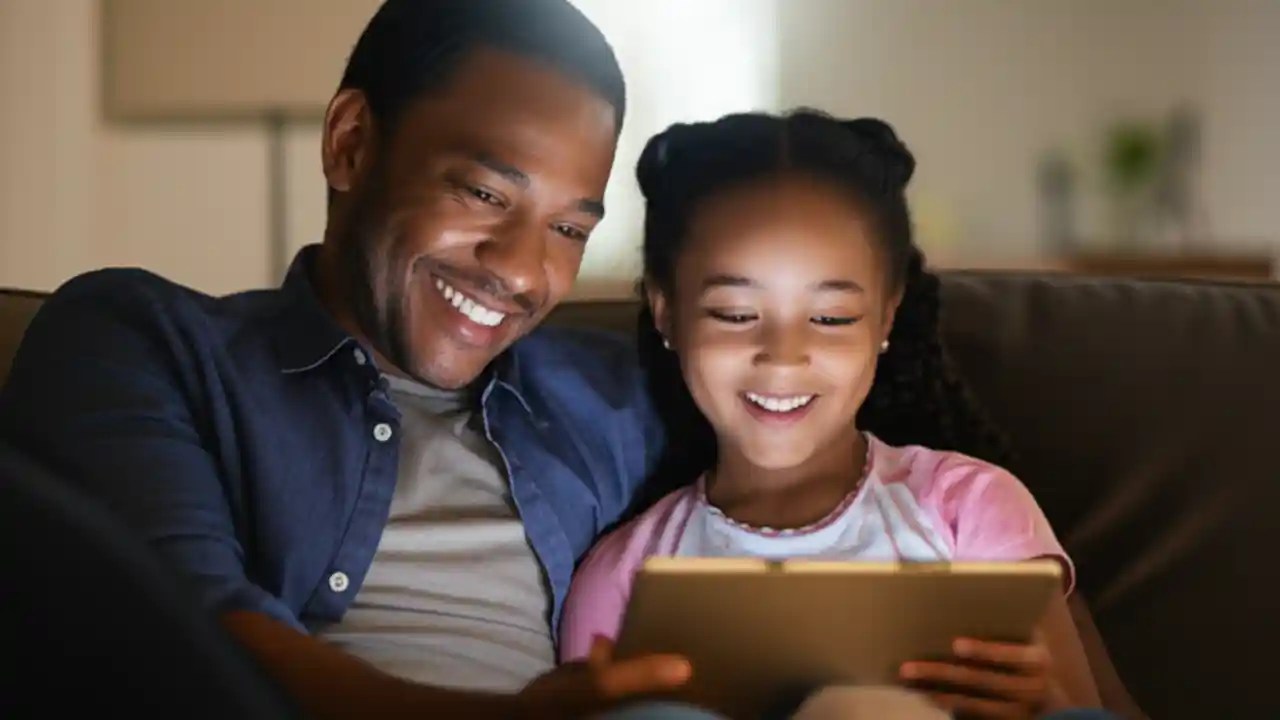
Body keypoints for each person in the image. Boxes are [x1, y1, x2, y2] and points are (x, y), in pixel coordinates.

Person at [0, 1, 692, 717]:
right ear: (352, 143)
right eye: (484, 194)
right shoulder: (142, 344)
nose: (520, 271)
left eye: (568, 228)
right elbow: (182, 637)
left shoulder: (620, 395)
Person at [558, 111, 1117, 720]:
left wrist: (1042, 702)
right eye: (736, 313)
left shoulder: (967, 509)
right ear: (666, 313)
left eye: (830, 318)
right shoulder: (626, 575)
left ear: (886, 318)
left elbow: (1082, 710)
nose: (783, 355)